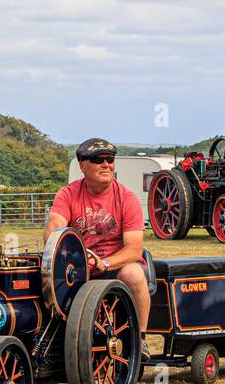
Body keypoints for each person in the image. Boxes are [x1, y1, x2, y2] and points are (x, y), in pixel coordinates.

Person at [44, 138, 150, 331]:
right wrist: (75, 258)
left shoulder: (127, 198)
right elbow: (54, 229)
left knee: (133, 274)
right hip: (79, 267)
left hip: (116, 267)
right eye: (98, 159)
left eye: (110, 159)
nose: (106, 165)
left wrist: (104, 263)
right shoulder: (67, 194)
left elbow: (134, 249)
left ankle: (139, 338)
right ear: (82, 165)